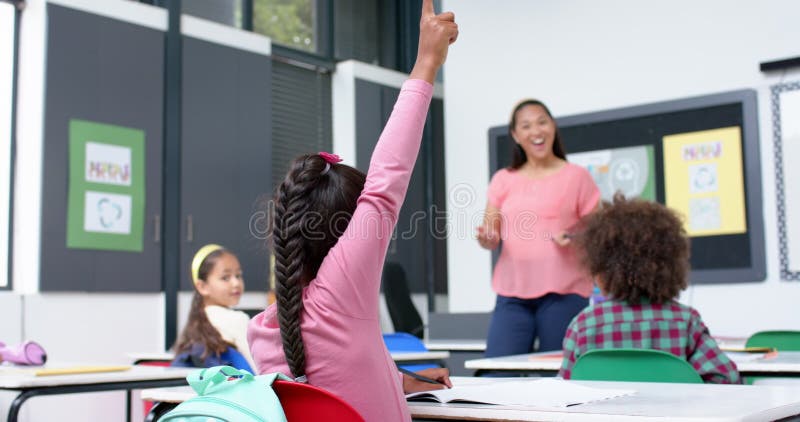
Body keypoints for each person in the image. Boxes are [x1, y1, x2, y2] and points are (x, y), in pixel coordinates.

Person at [247, 1, 457, 420]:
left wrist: (399, 380)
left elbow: (332, 388)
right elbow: (384, 185)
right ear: (345, 235)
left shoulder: (264, 331)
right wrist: (426, 63)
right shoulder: (340, 296)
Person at [558, 194, 741, 384]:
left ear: (600, 268)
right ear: (671, 265)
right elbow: (727, 379)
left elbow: (565, 392)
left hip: (606, 414)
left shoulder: (583, 325)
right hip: (673, 413)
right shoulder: (685, 321)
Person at [477, 99, 600, 358]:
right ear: (516, 135)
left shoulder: (577, 176)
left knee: (557, 378)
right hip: (512, 295)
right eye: (526, 126)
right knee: (496, 374)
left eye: (542, 122)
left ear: (553, 127)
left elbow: (600, 231)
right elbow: (491, 235)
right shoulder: (503, 179)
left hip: (564, 294)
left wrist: (575, 236)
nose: (536, 131)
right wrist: (487, 238)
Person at [172, 244, 256, 372]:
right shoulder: (237, 319)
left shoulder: (194, 325)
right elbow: (258, 369)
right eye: (225, 278)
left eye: (238, 275)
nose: (236, 283)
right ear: (202, 286)